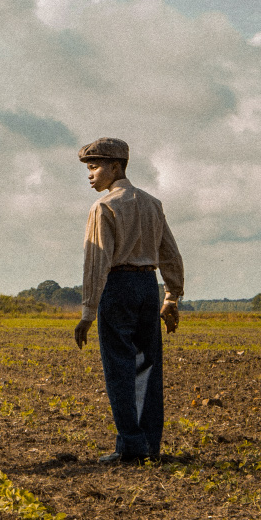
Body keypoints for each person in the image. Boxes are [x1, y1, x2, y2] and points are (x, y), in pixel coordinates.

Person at [72, 137, 184, 463]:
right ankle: (150, 445)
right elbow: (170, 254)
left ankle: (131, 448)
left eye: (94, 167)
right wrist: (171, 297)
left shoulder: (103, 207)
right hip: (148, 286)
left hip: (117, 286)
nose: (90, 174)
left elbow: (97, 261)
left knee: (120, 369)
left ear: (116, 167)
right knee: (148, 367)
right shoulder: (153, 204)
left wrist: (88, 310)